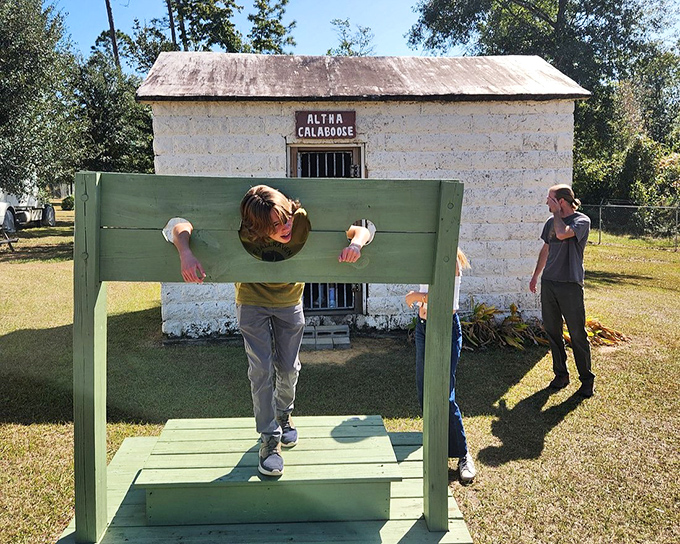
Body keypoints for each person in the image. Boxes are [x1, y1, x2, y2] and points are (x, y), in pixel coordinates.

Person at [164, 184, 371, 476]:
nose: (285, 227)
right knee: (260, 369)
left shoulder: (300, 218)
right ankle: (269, 439)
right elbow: (178, 224)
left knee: (288, 368)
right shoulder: (243, 229)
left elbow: (363, 229)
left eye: (285, 219)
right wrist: (184, 252)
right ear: (258, 227)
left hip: (290, 302)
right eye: (273, 225)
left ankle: (284, 416)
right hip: (251, 301)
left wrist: (356, 244)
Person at [405, 248, 476, 484]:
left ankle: (463, 454)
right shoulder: (422, 256)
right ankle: (436, 446)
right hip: (424, 327)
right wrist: (418, 299)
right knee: (424, 390)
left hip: (446, 327)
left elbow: (443, 297)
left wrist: (416, 296)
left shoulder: (450, 258)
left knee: (444, 394)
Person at [529, 184, 595, 398]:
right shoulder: (550, 222)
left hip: (570, 285)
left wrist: (558, 213)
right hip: (549, 283)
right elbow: (546, 249)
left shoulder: (581, 221)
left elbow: (562, 233)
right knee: (553, 331)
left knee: (577, 334)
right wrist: (536, 275)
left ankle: (586, 380)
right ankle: (561, 375)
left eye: (550, 199)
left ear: (561, 202)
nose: (546, 202)